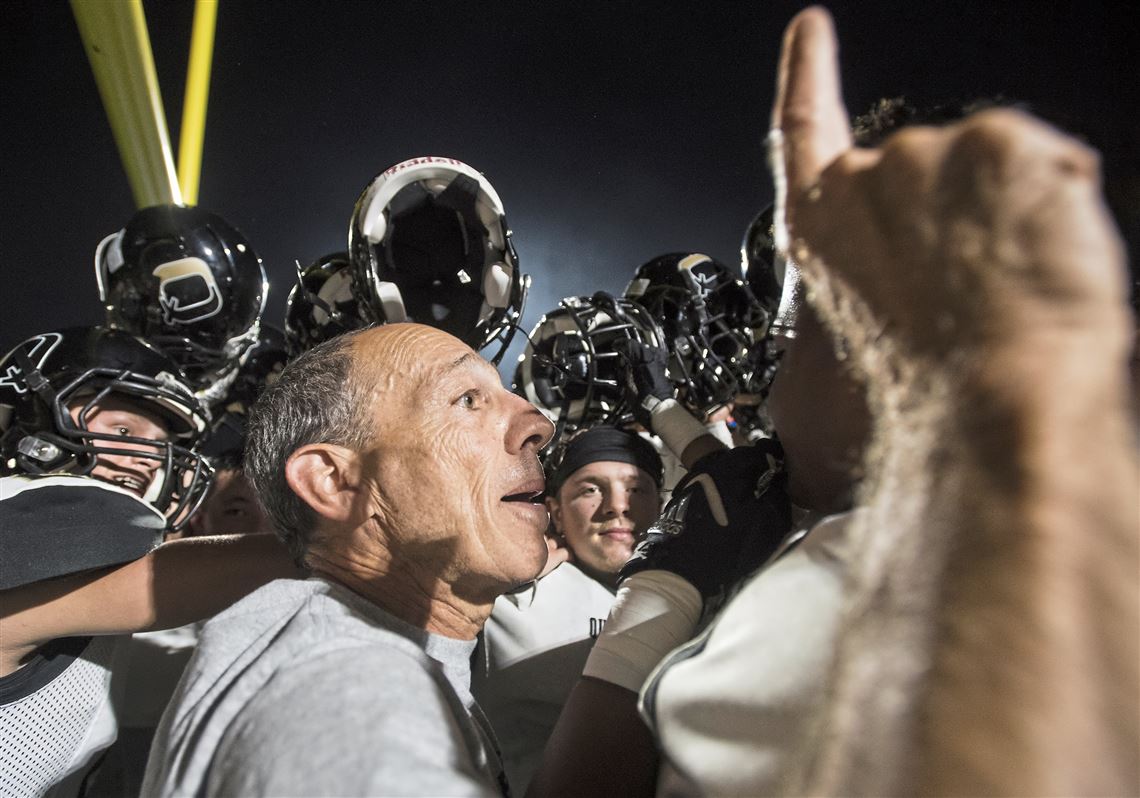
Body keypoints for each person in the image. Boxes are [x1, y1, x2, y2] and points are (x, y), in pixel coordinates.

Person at [531, 7, 1137, 797]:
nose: (776, 355)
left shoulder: (843, 590)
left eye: (804, 314)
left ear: (874, 339)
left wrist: (658, 597)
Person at [143, 322, 556, 797]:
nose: (538, 424)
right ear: (334, 482)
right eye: (466, 399)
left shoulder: (363, 647)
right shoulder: (340, 681)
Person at [0, 326, 299, 798]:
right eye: (123, 430)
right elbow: (155, 579)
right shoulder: (34, 520)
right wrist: (346, 543)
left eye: (161, 446)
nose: (148, 460)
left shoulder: (95, 568)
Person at [472, 426, 664, 792]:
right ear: (555, 512)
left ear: (660, 507)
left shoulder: (698, 598)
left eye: (637, 489)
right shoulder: (506, 596)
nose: (617, 505)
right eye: (591, 489)